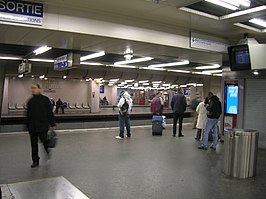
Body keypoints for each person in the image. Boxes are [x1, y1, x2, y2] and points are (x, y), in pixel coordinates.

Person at [26, 84, 56, 168]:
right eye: (32, 88)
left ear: (39, 89)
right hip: (33, 127)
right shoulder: (30, 101)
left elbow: (50, 113)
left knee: (44, 141)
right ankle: (35, 160)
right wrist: (27, 125)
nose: (33, 90)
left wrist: (52, 123)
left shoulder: (45, 100)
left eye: (34, 88)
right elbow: (28, 115)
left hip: (42, 125)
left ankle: (47, 150)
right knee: (33, 145)